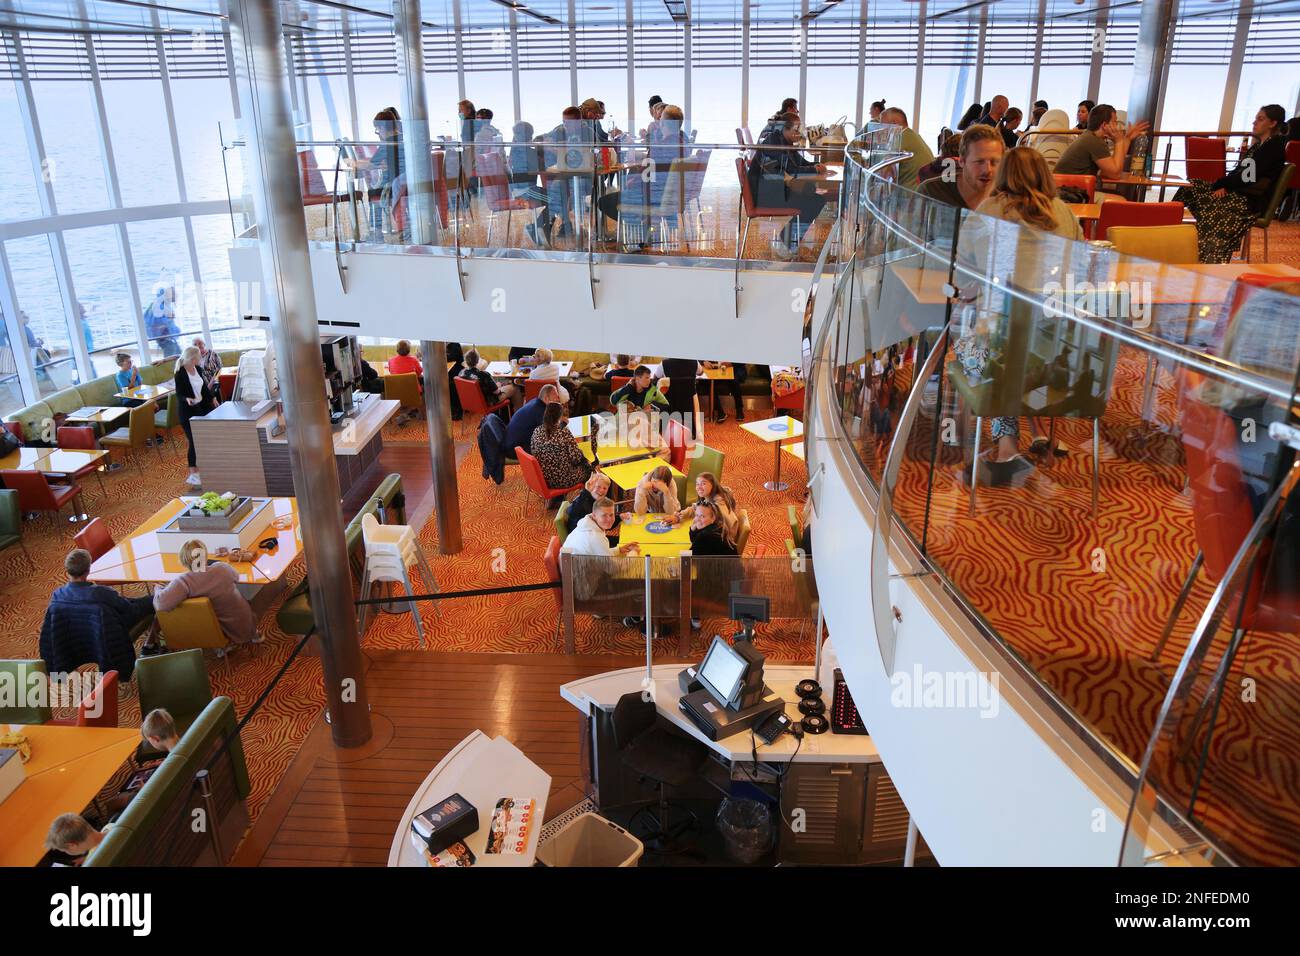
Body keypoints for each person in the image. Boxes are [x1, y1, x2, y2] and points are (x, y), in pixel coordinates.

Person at [1174, 104, 1289, 263]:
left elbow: (1248, 177)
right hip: (1239, 193)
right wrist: (1223, 185)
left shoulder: (1273, 147)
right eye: (1255, 119)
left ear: (1273, 123)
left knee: (1210, 208)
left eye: (1260, 119)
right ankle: (1172, 228)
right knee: (1191, 187)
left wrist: (1224, 185)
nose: (1254, 122)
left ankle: (1208, 242)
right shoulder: (1258, 146)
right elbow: (1238, 173)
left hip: (1249, 202)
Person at [40, 549, 156, 683]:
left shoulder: (57, 597)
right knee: (153, 602)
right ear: (88, 570)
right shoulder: (102, 593)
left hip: (75, 640)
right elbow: (129, 609)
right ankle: (151, 643)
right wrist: (153, 598)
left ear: (67, 571)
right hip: (105, 637)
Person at [749, 111, 828, 259]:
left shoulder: (783, 141)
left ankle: (786, 242)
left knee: (815, 197)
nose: (799, 133)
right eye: (796, 130)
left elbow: (797, 162)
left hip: (772, 188)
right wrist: (814, 169)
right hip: (763, 194)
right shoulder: (776, 144)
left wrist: (815, 165)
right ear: (785, 129)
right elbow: (792, 169)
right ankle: (784, 244)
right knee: (816, 200)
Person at [154, 539, 261, 648]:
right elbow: (236, 577)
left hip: (221, 632)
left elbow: (161, 605)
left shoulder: (184, 581)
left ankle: (223, 646)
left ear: (183, 560)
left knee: (187, 608)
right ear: (205, 555)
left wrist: (159, 587)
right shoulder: (222, 567)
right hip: (246, 621)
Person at [1053, 103, 1151, 202]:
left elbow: (1112, 167)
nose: (1117, 126)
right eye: (1115, 122)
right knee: (1120, 202)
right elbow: (1115, 173)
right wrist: (1120, 141)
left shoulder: (1091, 137)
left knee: (1119, 197)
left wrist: (1127, 139)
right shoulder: (1094, 141)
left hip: (1067, 190)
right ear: (1104, 125)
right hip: (1068, 194)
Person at [918, 123, 1005, 212]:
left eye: (995, 162)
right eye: (979, 162)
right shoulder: (931, 192)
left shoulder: (1007, 200)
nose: (987, 170)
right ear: (962, 161)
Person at [530, 401, 591, 501]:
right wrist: (582, 453)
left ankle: (557, 499)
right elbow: (576, 458)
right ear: (560, 417)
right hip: (564, 480)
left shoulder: (537, 431)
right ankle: (585, 503)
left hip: (544, 479)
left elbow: (534, 451)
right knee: (589, 469)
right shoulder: (564, 432)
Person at [174, 345, 216, 487]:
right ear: (193, 358)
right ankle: (192, 473)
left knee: (203, 440)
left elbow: (203, 387)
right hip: (187, 412)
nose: (201, 358)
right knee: (194, 441)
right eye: (198, 356)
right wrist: (186, 399)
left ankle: (204, 468)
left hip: (199, 409)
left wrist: (213, 398)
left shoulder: (198, 369)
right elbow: (179, 393)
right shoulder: (180, 373)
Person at [561, 495, 639, 558]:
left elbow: (600, 551)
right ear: (594, 515)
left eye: (611, 515)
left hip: (570, 567)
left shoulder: (586, 523)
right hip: (576, 575)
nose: (609, 519)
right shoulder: (596, 538)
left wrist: (619, 549)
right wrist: (633, 555)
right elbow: (613, 569)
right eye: (604, 515)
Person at [366, 107, 404, 234]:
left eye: (377, 130)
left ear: (382, 128)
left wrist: (353, 162)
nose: (378, 133)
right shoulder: (405, 138)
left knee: (372, 192)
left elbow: (371, 164)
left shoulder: (387, 143)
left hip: (396, 186)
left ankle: (376, 231)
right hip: (408, 182)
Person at [670, 471, 738, 537]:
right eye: (697, 484)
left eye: (703, 484)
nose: (699, 487)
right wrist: (678, 516)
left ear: (713, 485)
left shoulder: (718, 504)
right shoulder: (709, 498)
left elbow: (729, 527)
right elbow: (695, 508)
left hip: (721, 539)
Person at [505, 382, 565, 456]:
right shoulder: (541, 411)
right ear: (547, 398)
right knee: (557, 449)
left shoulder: (535, 402)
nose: (558, 400)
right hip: (516, 449)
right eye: (556, 398)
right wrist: (563, 424)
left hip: (510, 442)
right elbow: (551, 434)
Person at [459, 347, 519, 413]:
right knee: (515, 387)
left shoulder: (461, 373)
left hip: (471, 401)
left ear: (466, 360)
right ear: (478, 360)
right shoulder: (484, 375)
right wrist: (498, 386)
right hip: (488, 401)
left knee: (504, 384)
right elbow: (496, 392)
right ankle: (519, 416)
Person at [529, 347, 588, 413]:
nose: (533, 357)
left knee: (565, 383)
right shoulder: (555, 367)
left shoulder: (533, 373)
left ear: (540, 359)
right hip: (556, 397)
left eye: (535, 356)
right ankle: (569, 405)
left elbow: (530, 384)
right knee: (565, 384)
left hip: (537, 398)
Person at [566, 471, 617, 538]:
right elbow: (572, 511)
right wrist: (586, 491)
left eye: (605, 488)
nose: (601, 490)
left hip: (593, 535)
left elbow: (606, 523)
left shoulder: (598, 502)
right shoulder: (583, 499)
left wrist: (620, 517)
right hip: (583, 540)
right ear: (591, 486)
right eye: (598, 487)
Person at [44, 813, 109, 863]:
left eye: (64, 851)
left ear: (72, 845)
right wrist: (87, 858)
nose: (66, 852)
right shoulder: (109, 827)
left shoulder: (96, 862)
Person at [143, 285, 181, 358]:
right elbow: (155, 321)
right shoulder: (159, 305)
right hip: (163, 336)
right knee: (171, 352)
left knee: (178, 351)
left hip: (165, 336)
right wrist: (169, 318)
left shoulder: (162, 304)